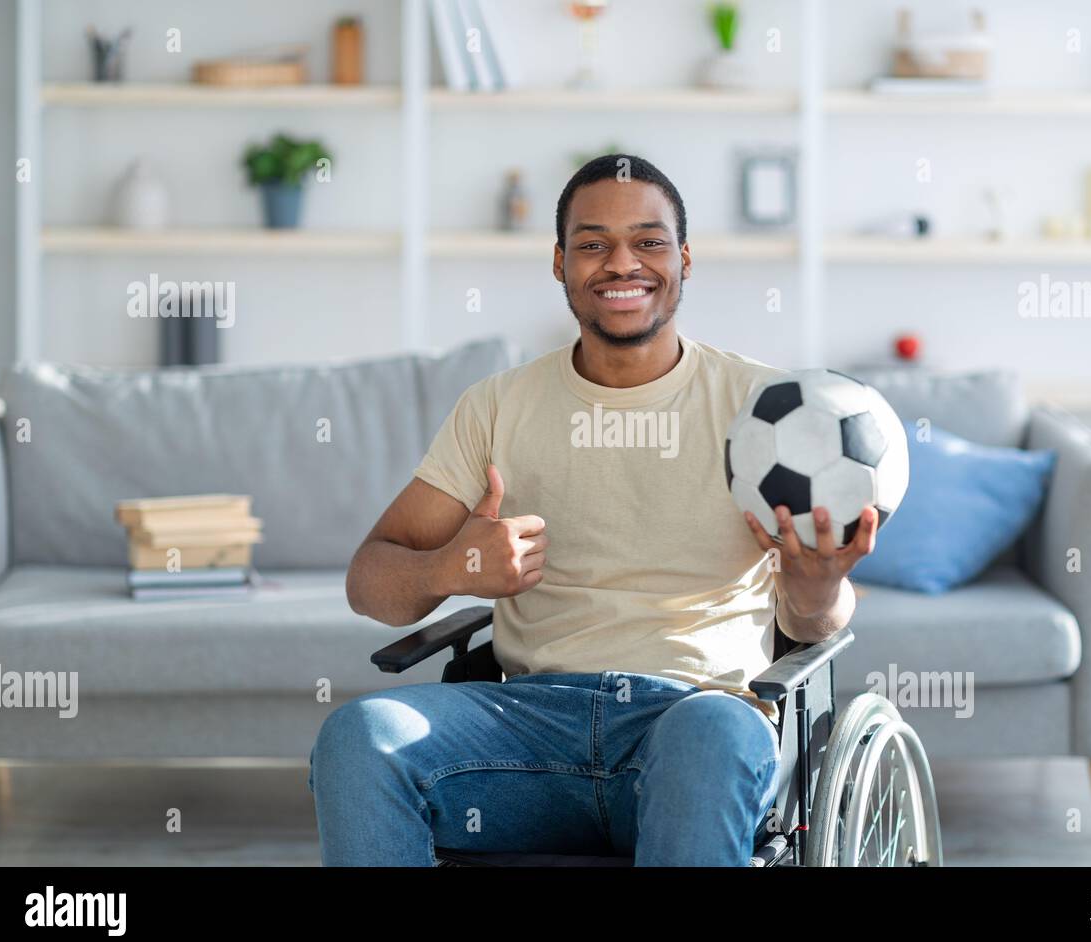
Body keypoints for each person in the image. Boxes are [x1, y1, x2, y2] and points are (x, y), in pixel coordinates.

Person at [308, 154, 880, 866]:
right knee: (359, 737)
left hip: (691, 721)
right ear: (559, 263)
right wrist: (449, 568)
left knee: (715, 734)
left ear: (684, 260)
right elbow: (370, 583)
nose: (621, 264)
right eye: (592, 243)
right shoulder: (496, 407)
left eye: (648, 241)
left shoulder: (769, 412)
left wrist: (820, 583)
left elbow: (809, 623)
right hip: (526, 725)